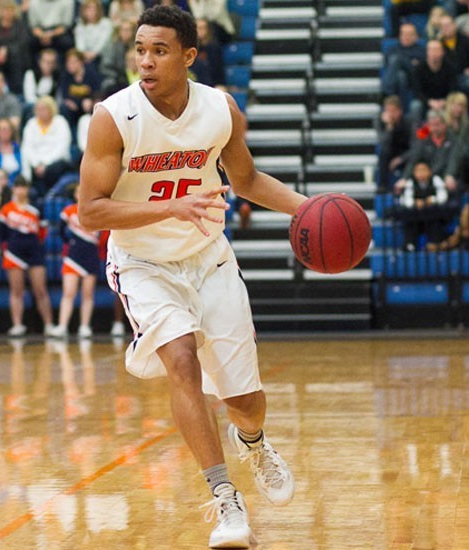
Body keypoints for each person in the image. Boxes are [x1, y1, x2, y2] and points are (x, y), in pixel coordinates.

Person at [78, 7, 297, 547]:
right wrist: (170, 210)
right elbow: (90, 213)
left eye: (159, 50)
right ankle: (225, 500)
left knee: (245, 400)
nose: (146, 61)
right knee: (180, 358)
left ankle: (253, 440)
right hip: (142, 264)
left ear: (189, 56)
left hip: (209, 258)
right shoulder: (114, 116)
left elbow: (244, 179)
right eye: (140, 49)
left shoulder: (220, 108)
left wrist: (309, 206)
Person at [0, 177, 55, 337]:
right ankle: (17, 324)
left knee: (40, 289)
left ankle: (49, 324)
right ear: (13, 189)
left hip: (34, 250)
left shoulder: (36, 208)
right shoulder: (6, 209)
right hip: (14, 252)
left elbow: (43, 232)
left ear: (28, 189)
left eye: (23, 187)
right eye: (18, 187)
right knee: (16, 290)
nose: (20, 191)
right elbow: (2, 235)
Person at [52, 185, 101, 339]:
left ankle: (85, 326)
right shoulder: (68, 211)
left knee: (88, 293)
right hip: (73, 255)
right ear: (74, 195)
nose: (81, 194)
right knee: (68, 292)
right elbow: (60, 231)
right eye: (78, 192)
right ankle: (62, 326)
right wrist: (69, 242)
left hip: (91, 253)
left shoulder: (96, 211)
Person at [21, 96, 73, 196]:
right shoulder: (31, 124)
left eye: (44, 109)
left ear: (51, 109)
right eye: (38, 109)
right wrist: (36, 163)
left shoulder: (60, 122)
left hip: (55, 162)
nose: (41, 112)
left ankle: (52, 194)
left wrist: (45, 164)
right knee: (27, 169)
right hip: (36, 164)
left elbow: (62, 147)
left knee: (55, 169)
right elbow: (27, 147)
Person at [397, 161, 449, 250]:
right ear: (414, 173)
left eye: (423, 170)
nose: (421, 173)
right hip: (416, 216)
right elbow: (404, 199)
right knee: (409, 220)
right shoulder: (411, 182)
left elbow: (443, 196)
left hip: (432, 215)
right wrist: (415, 202)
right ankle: (409, 245)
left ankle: (436, 243)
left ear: (429, 171)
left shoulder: (436, 180)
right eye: (418, 170)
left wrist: (432, 200)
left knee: (436, 220)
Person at [382, 23, 424, 111]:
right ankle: (402, 109)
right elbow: (387, 65)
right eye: (404, 34)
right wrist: (410, 61)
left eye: (409, 34)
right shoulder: (392, 49)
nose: (406, 37)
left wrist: (403, 61)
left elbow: (420, 68)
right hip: (399, 81)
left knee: (396, 59)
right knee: (401, 76)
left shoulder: (421, 50)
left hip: (414, 79)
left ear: (416, 36)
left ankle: (386, 93)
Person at [376, 96, 411, 193]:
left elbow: (416, 146)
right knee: (383, 152)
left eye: (393, 111)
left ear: (400, 111)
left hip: (406, 153)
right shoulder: (380, 121)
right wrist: (389, 127)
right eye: (387, 111)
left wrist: (401, 158)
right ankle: (383, 187)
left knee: (416, 156)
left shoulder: (409, 121)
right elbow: (383, 142)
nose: (390, 114)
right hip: (390, 153)